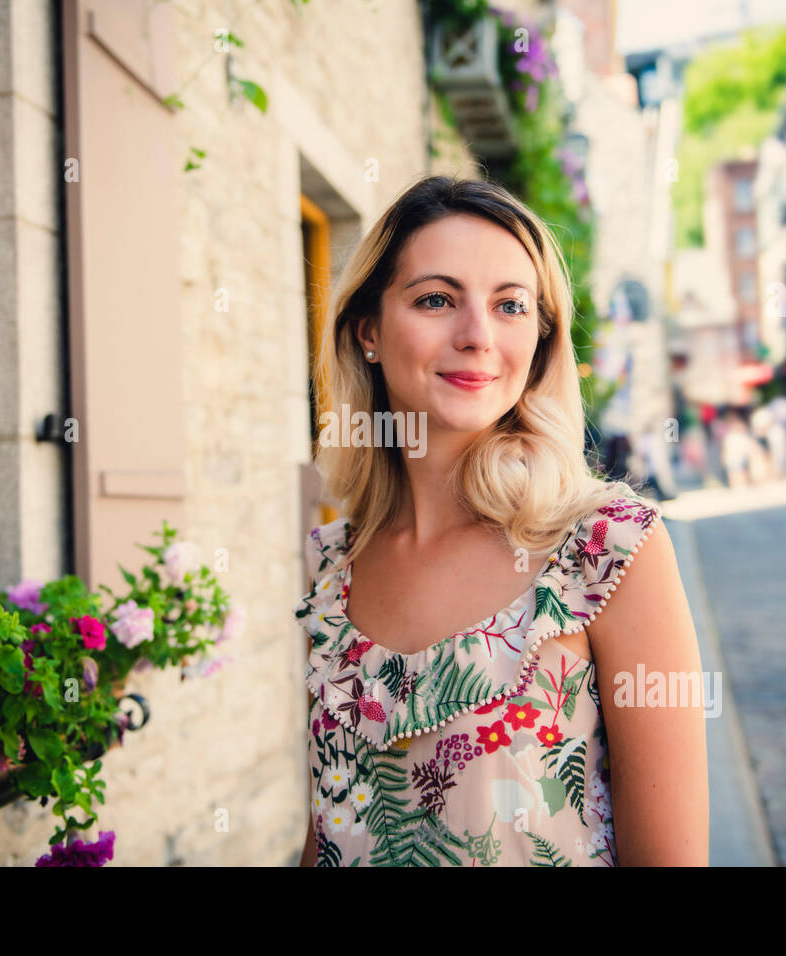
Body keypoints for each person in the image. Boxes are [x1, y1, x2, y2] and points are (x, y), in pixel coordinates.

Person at [294, 176, 708, 867]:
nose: (478, 335)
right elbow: (335, 824)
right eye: (436, 299)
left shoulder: (608, 547)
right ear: (368, 331)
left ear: (541, 340)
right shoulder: (333, 567)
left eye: (510, 305)